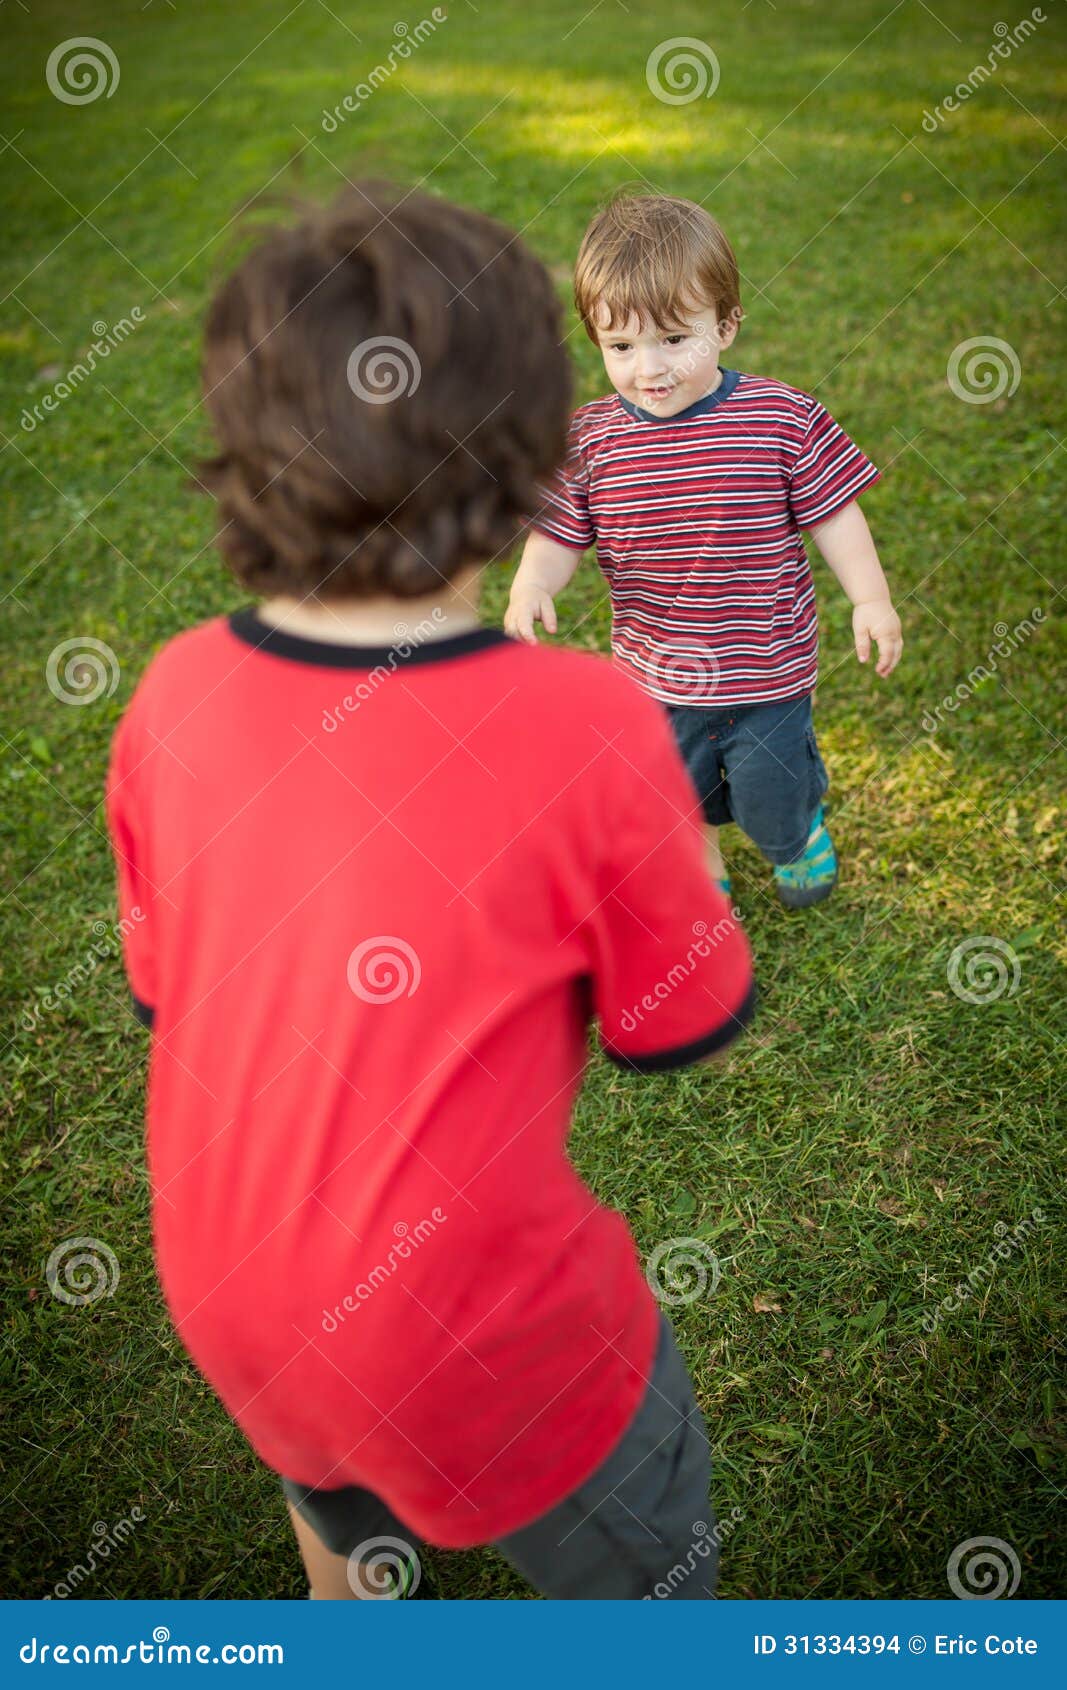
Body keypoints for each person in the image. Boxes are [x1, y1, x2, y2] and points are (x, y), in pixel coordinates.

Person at [105, 179, 755, 1600]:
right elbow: (679, 1020)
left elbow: (175, 992)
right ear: (532, 454)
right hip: (488, 1334)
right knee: (651, 1591)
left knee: (347, 1529)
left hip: (234, 1293)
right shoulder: (586, 723)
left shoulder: (167, 695)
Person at [506, 191, 903, 907]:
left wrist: (869, 599)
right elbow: (560, 530)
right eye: (620, 347)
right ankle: (698, 850)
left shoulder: (780, 417)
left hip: (766, 669)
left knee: (768, 790)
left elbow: (835, 514)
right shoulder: (589, 441)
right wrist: (533, 584)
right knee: (675, 790)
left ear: (725, 327)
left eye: (673, 340)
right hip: (655, 676)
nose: (648, 369)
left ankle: (793, 835)